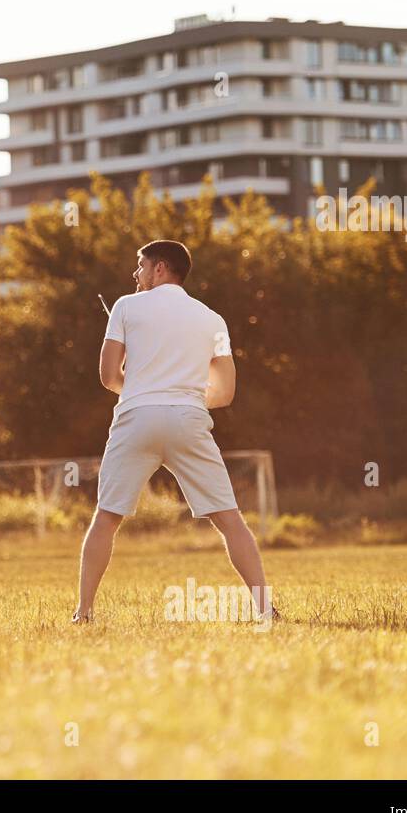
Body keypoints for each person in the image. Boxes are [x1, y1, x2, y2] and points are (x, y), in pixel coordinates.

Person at [74, 239, 276, 624]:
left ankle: (83, 613)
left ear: (160, 268)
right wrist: (185, 396)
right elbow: (226, 393)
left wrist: (138, 384)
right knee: (230, 519)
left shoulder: (124, 306)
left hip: (136, 419)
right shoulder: (213, 319)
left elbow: (106, 376)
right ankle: (265, 609)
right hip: (189, 419)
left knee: (106, 517)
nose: (136, 274)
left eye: (141, 266)